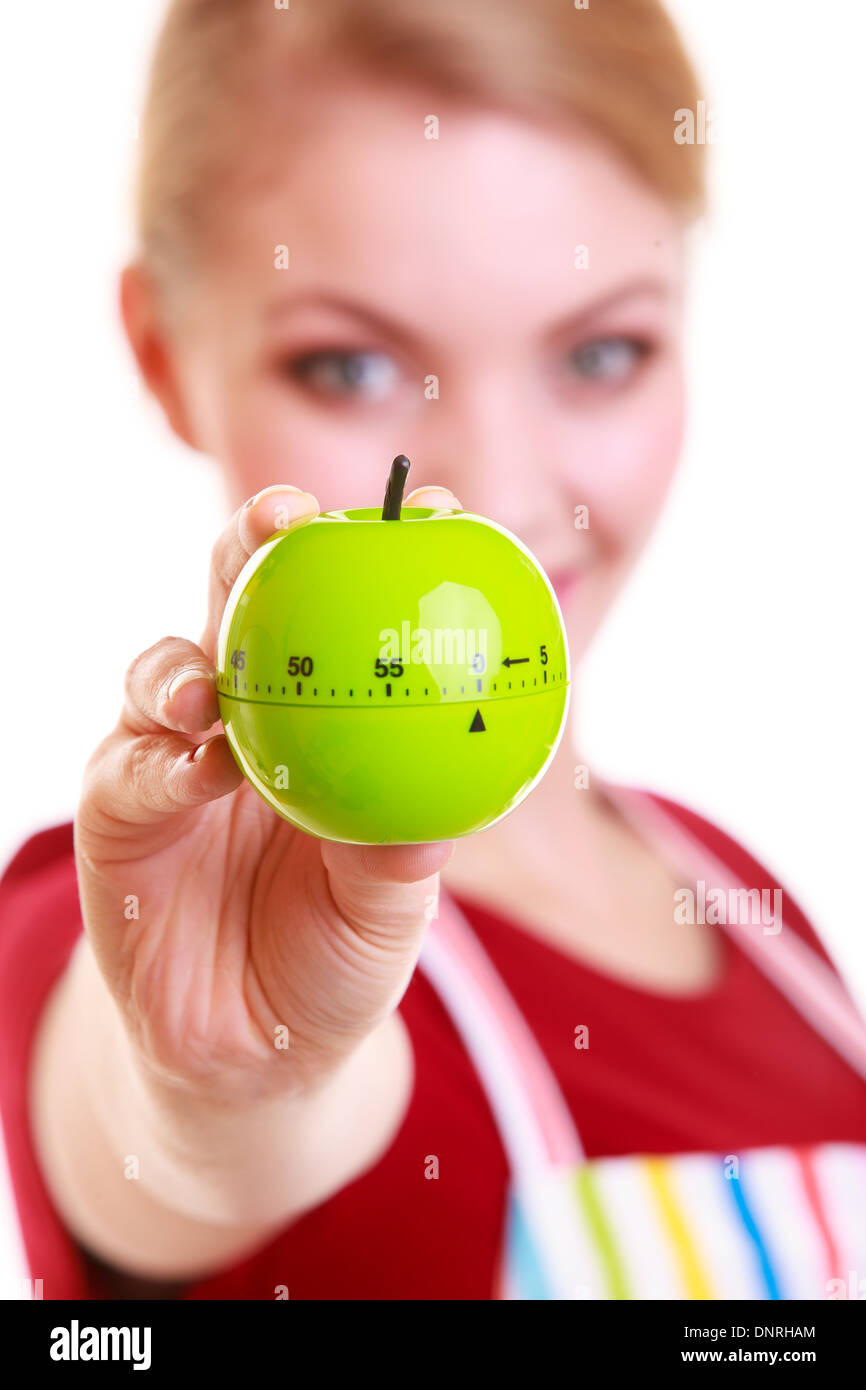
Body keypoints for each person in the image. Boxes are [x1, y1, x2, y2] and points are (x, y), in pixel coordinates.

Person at [1, 0, 864, 1302]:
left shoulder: (750, 906)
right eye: (348, 366)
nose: (499, 494)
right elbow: (170, 1138)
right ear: (166, 356)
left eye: (601, 351)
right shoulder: (146, 914)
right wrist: (217, 1085)